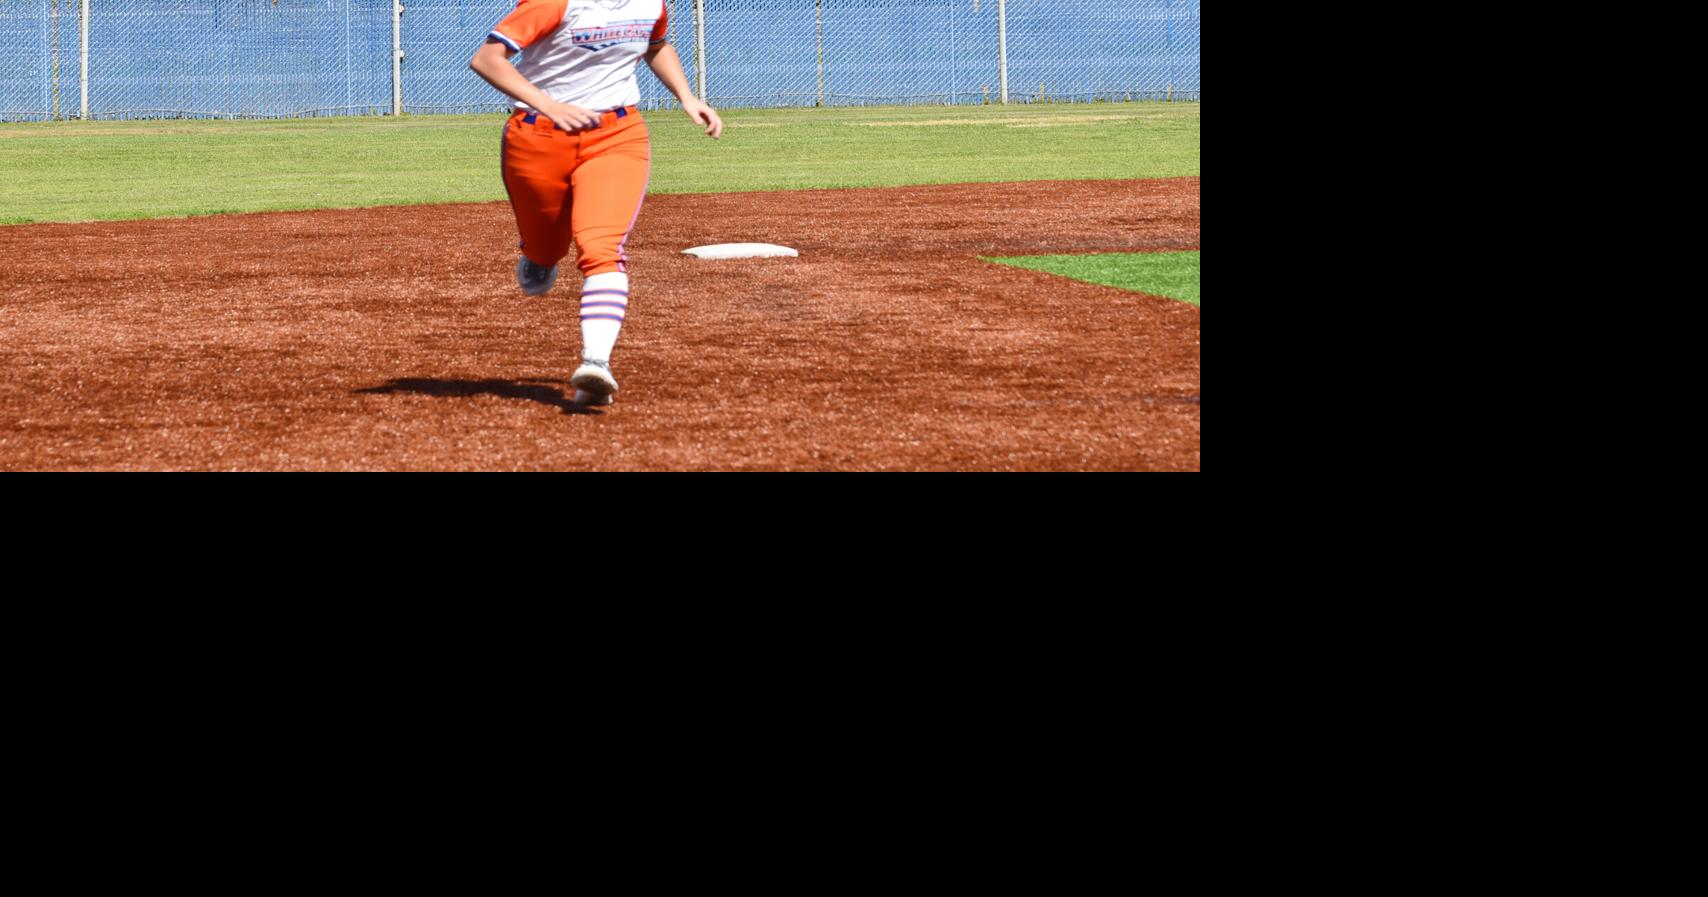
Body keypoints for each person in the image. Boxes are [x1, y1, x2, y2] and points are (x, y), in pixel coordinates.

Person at [470, 0, 722, 407]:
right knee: (545, 252)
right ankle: (539, 255)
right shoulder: (554, 3)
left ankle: (596, 364)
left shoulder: (651, 3)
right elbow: (487, 59)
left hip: (617, 135)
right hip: (538, 138)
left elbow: (656, 46)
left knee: (602, 248)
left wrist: (686, 97)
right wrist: (548, 104)